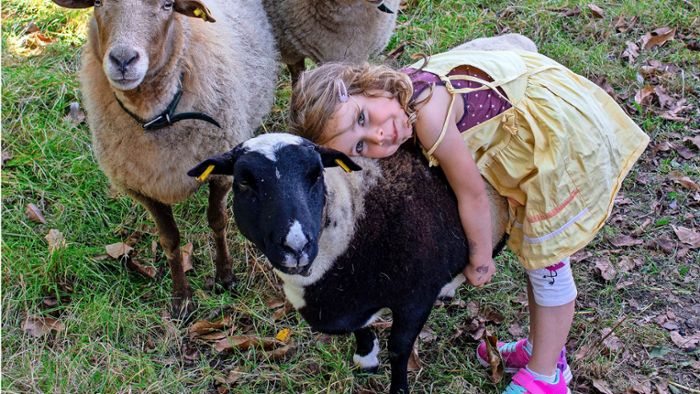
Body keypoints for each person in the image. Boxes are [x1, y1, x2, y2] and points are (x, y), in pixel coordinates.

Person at [287, 45, 649, 394]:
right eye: (362, 147)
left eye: (363, 118)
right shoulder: (398, 94)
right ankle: (543, 348)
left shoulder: (428, 115)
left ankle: (547, 376)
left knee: (548, 264)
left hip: (554, 144)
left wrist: (480, 257)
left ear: (364, 85)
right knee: (537, 265)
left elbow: (472, 193)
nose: (380, 136)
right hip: (524, 123)